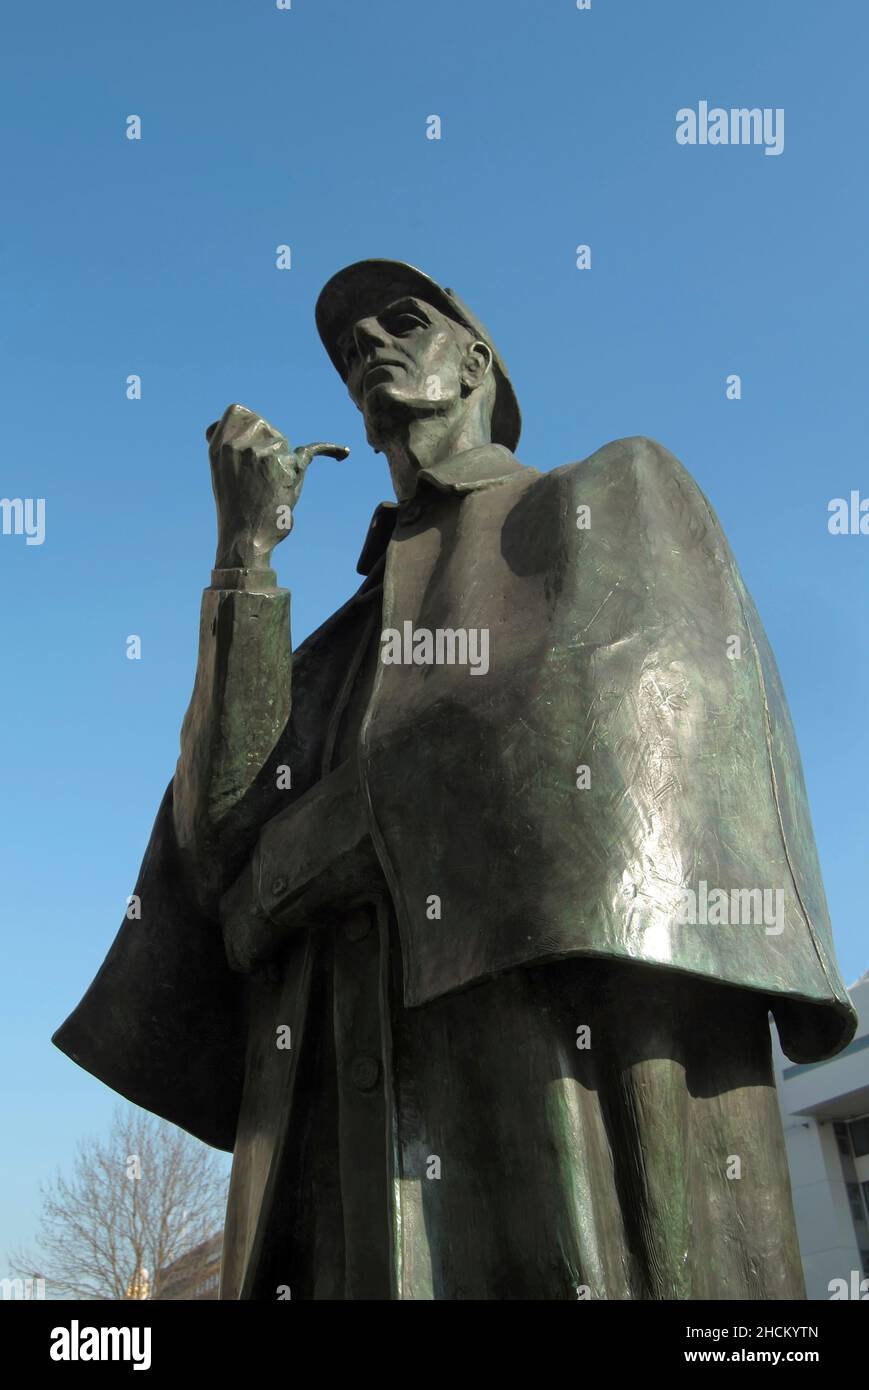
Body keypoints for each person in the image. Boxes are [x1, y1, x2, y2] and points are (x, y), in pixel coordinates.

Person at [55, 259, 856, 1299]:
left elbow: (595, 725)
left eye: (402, 322)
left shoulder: (602, 496)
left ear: (475, 360)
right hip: (319, 1158)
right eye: (349, 349)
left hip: (525, 1100)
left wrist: (291, 867)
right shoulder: (333, 651)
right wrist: (245, 555)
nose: (368, 348)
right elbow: (212, 848)